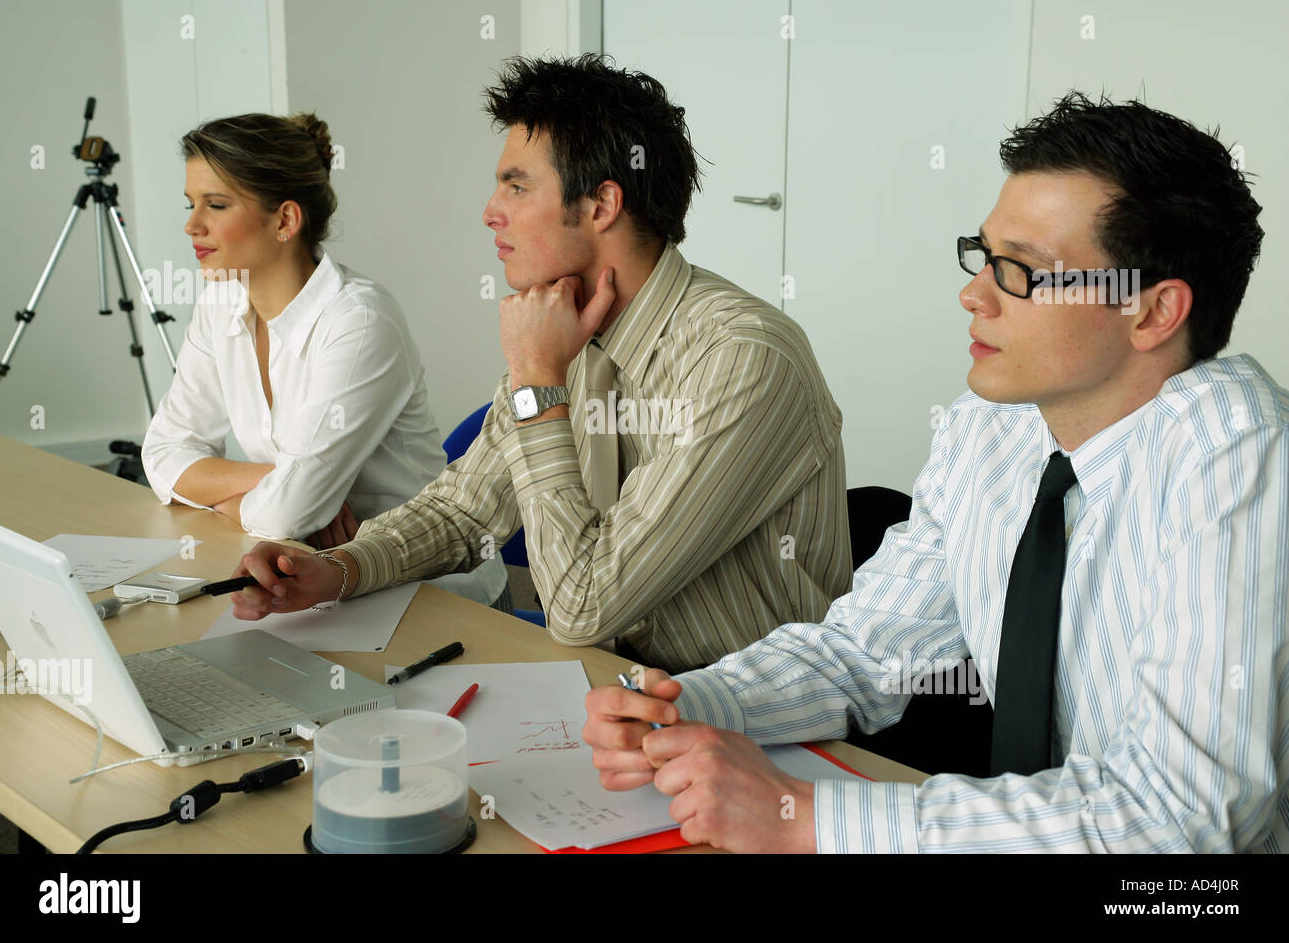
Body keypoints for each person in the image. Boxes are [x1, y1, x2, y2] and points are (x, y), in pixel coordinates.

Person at [584, 92, 1288, 853]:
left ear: (1153, 313)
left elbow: (1183, 815)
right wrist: (693, 702)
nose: (974, 294)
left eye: (1020, 271)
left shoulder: (1239, 455)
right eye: (984, 255)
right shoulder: (992, 424)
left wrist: (808, 819)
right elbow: (866, 651)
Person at [228, 55, 852, 672]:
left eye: (517, 186)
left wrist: (536, 382)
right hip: (616, 691)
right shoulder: (566, 325)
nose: (490, 210)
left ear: (603, 205)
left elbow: (584, 605)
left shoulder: (741, 358)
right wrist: (337, 570)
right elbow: (462, 510)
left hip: (754, 728)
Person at [143, 112, 507, 607]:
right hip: (315, 577)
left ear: (286, 220)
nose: (191, 225)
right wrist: (279, 481)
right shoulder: (220, 303)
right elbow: (162, 453)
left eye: (216, 204)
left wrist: (274, 496)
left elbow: (285, 517)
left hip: (430, 597)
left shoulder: (359, 323)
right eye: (190, 203)